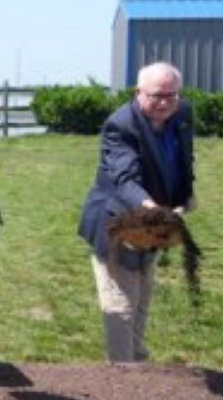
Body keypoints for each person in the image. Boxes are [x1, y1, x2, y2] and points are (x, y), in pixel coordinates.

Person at [79, 62, 196, 363]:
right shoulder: (120, 125)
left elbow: (184, 160)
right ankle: (122, 375)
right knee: (120, 305)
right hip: (118, 224)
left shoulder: (181, 114)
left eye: (172, 95)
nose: (165, 102)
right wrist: (151, 208)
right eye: (157, 95)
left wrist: (185, 196)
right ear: (138, 93)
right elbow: (124, 178)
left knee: (142, 298)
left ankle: (138, 366)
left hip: (155, 225)